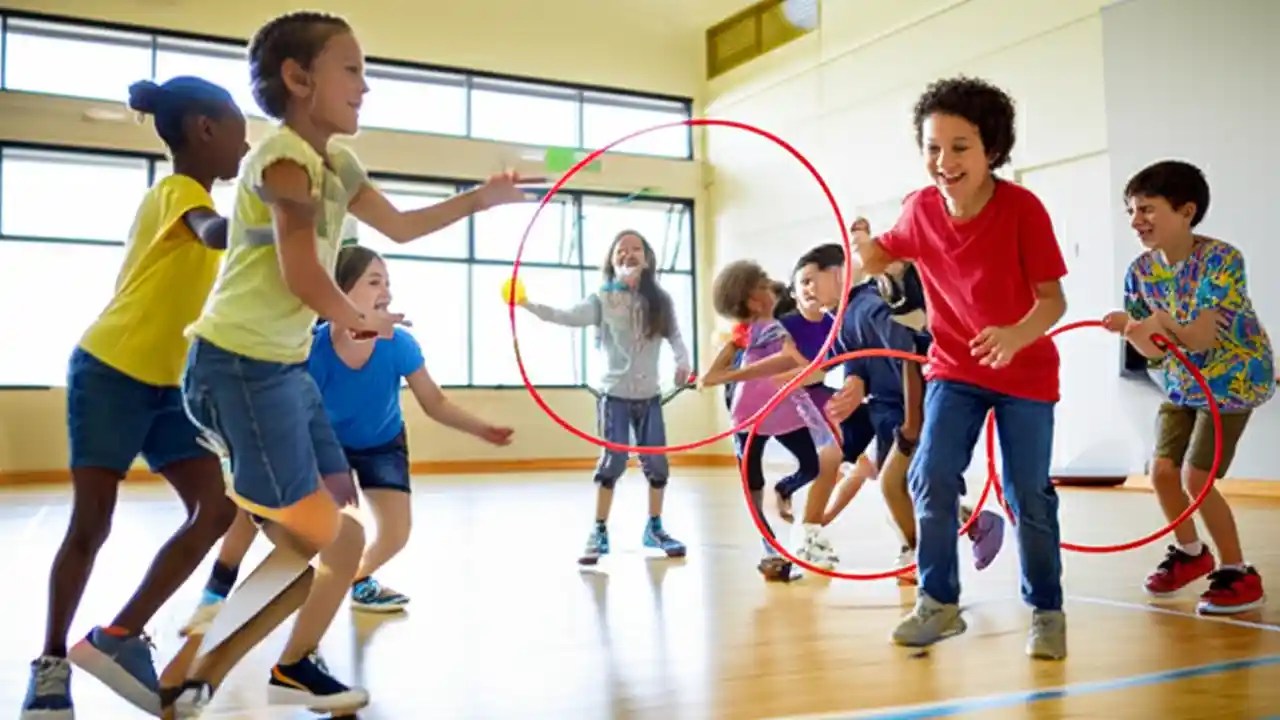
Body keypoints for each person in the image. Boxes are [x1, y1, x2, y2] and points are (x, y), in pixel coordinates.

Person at [177, 10, 532, 713]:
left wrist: (482, 200)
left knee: (341, 544)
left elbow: (399, 226)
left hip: (273, 373)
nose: (365, 86)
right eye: (352, 69)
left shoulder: (338, 162)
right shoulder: (283, 159)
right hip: (236, 367)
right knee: (322, 535)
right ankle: (191, 668)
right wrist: (360, 317)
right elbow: (305, 275)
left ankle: (286, 665)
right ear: (298, 78)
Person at [19, 76, 247, 720]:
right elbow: (213, 233)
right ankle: (51, 662)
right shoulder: (180, 192)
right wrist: (277, 213)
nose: (245, 140)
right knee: (91, 524)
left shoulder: (200, 198)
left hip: (169, 389)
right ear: (205, 129)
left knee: (216, 510)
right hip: (111, 371)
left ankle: (119, 636)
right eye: (237, 126)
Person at [848, 76, 1069, 659]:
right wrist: (865, 250)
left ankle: (1047, 611)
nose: (944, 161)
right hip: (955, 367)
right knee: (931, 475)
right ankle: (939, 603)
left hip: (1024, 371)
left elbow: (1054, 301)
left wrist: (1016, 334)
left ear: (992, 149)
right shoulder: (920, 209)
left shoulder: (1022, 209)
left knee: (1028, 494)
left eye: (960, 147)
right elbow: (884, 255)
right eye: (932, 147)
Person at [185, 245, 515, 625]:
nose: (387, 293)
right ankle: (216, 593)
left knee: (396, 533)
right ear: (339, 292)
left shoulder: (400, 345)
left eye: (388, 283)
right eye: (375, 282)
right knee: (258, 512)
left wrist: (481, 429)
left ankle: (354, 579)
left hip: (382, 443)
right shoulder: (314, 348)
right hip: (325, 446)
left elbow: (434, 403)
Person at [1104, 159, 1273, 615]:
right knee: (1161, 472)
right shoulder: (1139, 272)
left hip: (1233, 379)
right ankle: (1192, 554)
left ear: (1186, 211)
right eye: (1131, 211)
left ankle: (1239, 572)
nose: (1136, 221)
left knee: (1195, 477)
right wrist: (1129, 329)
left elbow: (1200, 338)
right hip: (1182, 381)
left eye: (1147, 209)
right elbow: (1154, 352)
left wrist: (1152, 323)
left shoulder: (1221, 260)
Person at [518, 230, 692, 565]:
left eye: (636, 249)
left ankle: (654, 528)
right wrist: (527, 305)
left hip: (650, 396)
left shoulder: (661, 300)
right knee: (612, 462)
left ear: (648, 258)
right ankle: (598, 530)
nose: (628, 255)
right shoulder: (602, 299)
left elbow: (675, 336)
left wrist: (683, 361)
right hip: (615, 397)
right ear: (612, 262)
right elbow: (567, 316)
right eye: (621, 251)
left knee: (657, 464)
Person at [702, 261, 844, 573]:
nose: (773, 288)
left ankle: (785, 488)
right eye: (765, 286)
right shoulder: (742, 334)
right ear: (754, 300)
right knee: (751, 481)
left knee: (811, 465)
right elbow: (713, 374)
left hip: (781, 409)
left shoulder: (779, 329)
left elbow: (787, 361)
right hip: (748, 416)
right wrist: (715, 375)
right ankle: (771, 548)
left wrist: (734, 373)